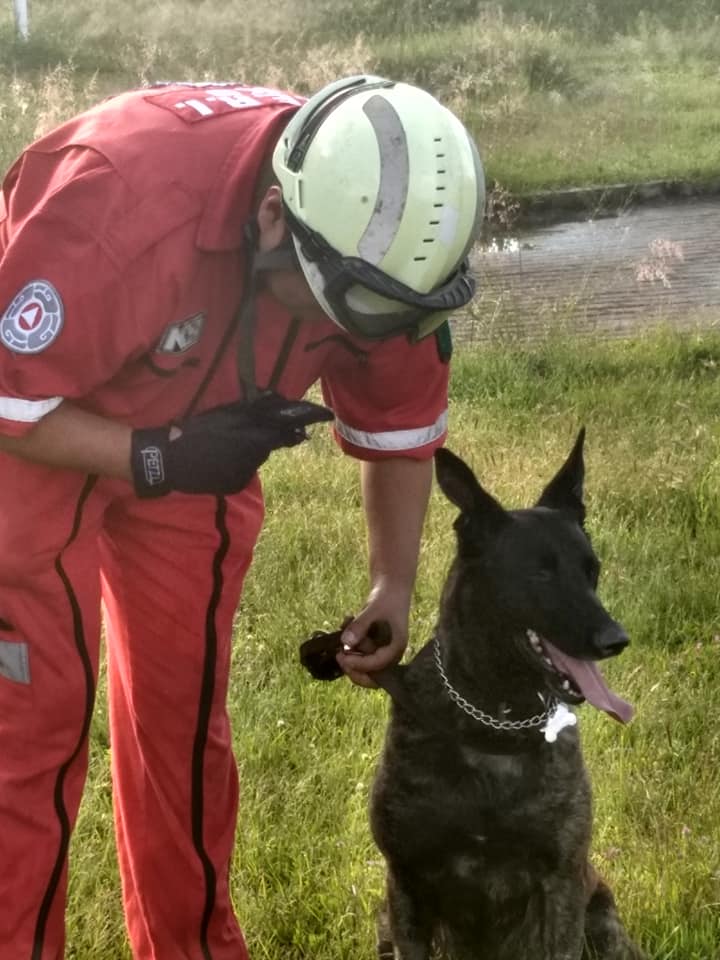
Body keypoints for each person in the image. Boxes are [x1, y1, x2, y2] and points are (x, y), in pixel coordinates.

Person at [0, 75, 484, 958]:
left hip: (205, 443)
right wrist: (154, 452)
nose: (364, 338)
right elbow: (11, 400)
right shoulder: (116, 203)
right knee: (27, 742)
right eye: (342, 313)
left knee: (184, 727)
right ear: (271, 220)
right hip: (36, 429)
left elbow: (399, 427)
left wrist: (393, 583)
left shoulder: (392, 255)